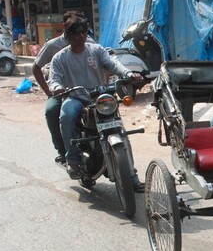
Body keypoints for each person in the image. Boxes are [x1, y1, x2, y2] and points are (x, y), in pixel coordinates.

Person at [48, 16, 145, 189]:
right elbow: (53, 79)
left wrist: (128, 74)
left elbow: (114, 64)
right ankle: (73, 160)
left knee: (120, 131)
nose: (81, 36)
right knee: (66, 115)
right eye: (76, 33)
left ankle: (132, 177)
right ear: (68, 35)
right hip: (76, 97)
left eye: (84, 32)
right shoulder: (60, 58)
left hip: (101, 96)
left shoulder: (96, 50)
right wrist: (57, 88)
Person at [32, 11, 93, 165]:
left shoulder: (90, 44)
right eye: (74, 30)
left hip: (88, 90)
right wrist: (49, 92)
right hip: (63, 92)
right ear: (65, 28)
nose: (79, 35)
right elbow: (36, 67)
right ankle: (64, 151)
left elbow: (105, 63)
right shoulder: (54, 47)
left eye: (82, 30)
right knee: (52, 111)